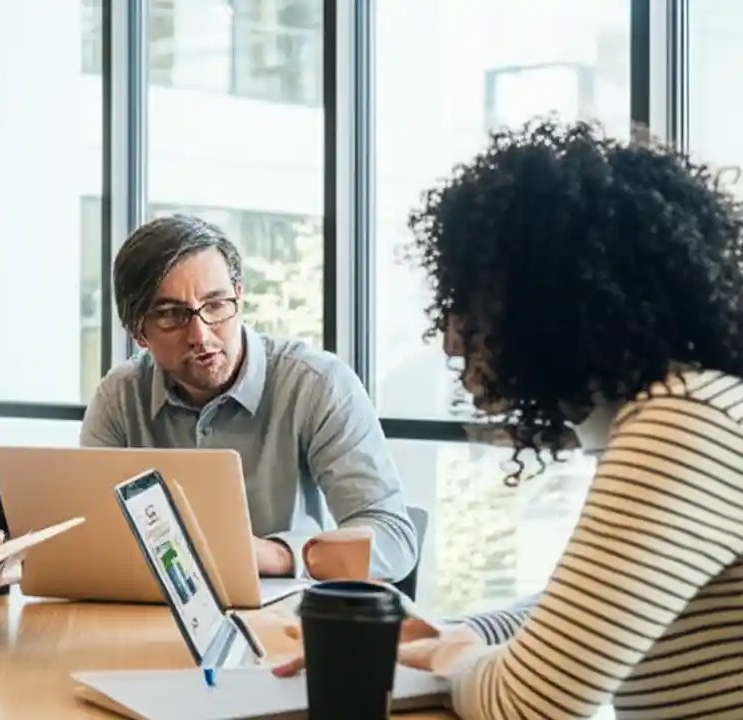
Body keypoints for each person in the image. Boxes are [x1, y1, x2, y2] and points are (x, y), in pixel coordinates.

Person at [275, 118, 743, 719]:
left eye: (468, 302)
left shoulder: (683, 425)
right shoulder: (691, 409)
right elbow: (589, 611)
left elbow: (523, 708)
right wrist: (434, 634)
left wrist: (454, 658)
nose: (450, 339)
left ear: (552, 301)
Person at [82, 214, 418, 582]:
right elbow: (85, 529)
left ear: (239, 297)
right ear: (137, 333)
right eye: (170, 315)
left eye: (216, 305)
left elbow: (393, 539)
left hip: (285, 618)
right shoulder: (120, 395)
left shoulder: (317, 384)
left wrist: (278, 555)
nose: (201, 334)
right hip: (149, 616)